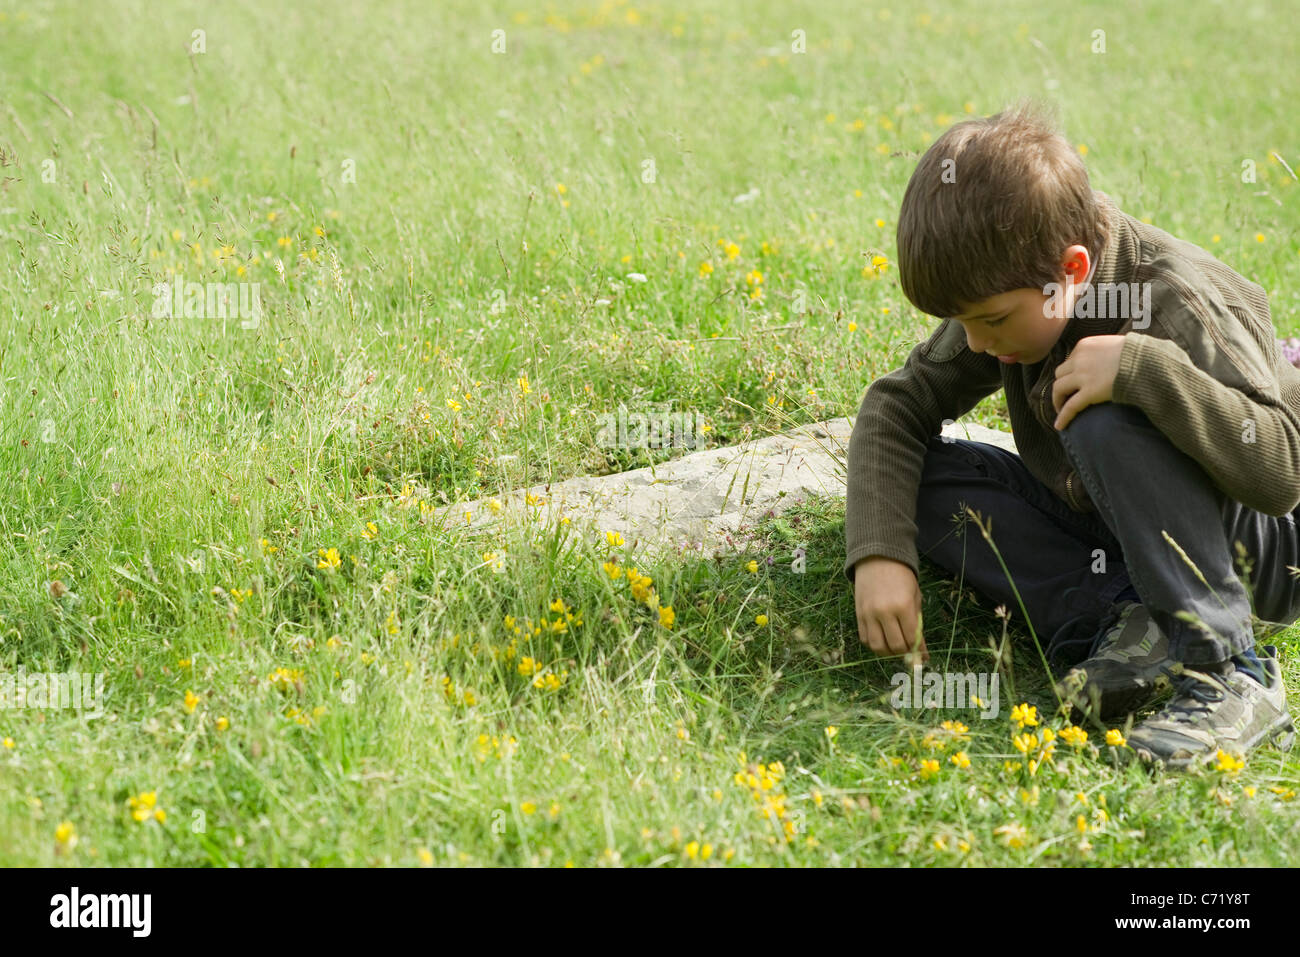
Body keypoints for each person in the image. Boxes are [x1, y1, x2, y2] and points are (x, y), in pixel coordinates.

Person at [844, 99, 1300, 768]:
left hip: (1264, 540)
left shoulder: (1174, 297)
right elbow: (896, 407)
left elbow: (1282, 469)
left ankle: (1229, 669)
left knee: (1103, 415)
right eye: (962, 322)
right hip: (1115, 516)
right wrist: (880, 553)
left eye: (991, 320)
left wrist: (1146, 372)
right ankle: (1131, 616)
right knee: (915, 484)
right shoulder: (1013, 286)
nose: (975, 343)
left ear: (1074, 272)